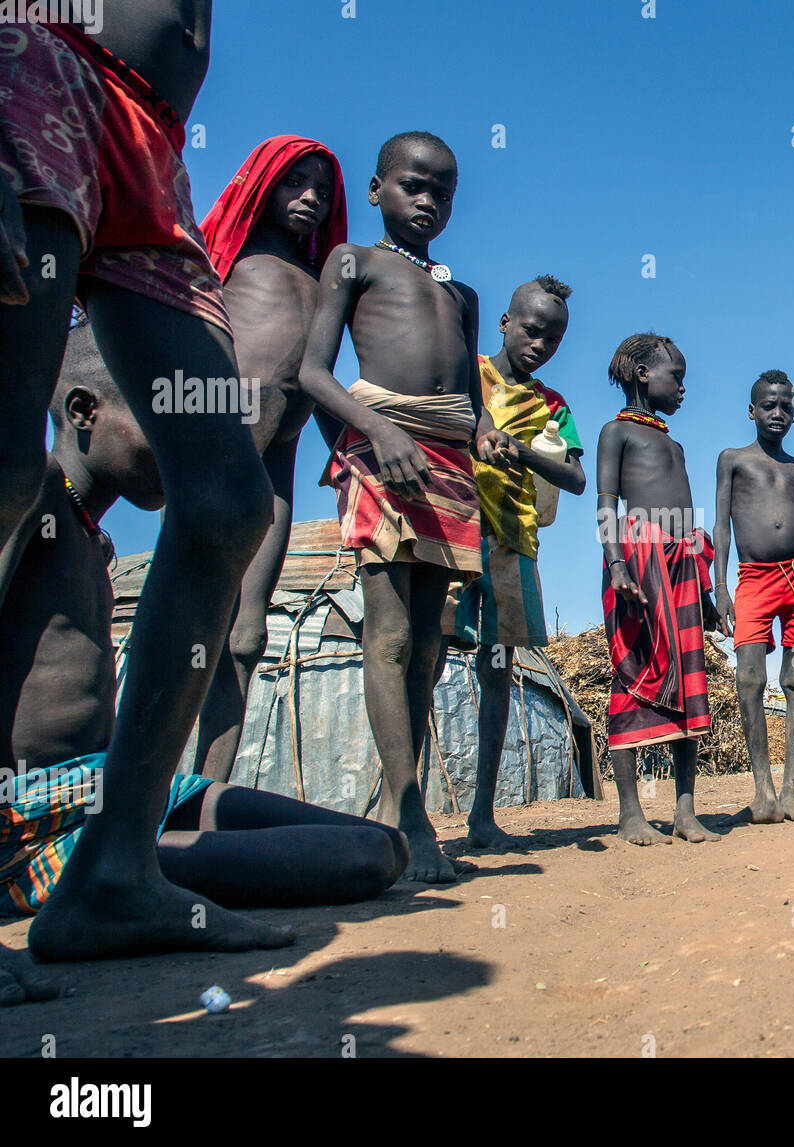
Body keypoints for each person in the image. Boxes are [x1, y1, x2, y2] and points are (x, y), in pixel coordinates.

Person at [1, 8, 295, 961]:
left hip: (148, 139)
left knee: (225, 504)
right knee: (8, 474)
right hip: (41, 62)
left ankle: (115, 873)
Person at [1, 319, 408, 934]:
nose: (181, 446)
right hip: (30, 818)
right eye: (160, 419)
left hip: (117, 792)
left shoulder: (91, 539)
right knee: (356, 860)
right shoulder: (29, 496)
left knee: (383, 846)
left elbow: (269, 404)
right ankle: (103, 888)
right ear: (84, 411)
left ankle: (126, 853)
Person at [299, 131, 501, 882]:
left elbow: (472, 403)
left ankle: (396, 804)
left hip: (447, 461)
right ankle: (414, 816)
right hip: (383, 447)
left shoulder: (462, 295)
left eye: (443, 191)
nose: (428, 200)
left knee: (429, 640)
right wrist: (376, 430)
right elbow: (313, 373)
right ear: (378, 187)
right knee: (386, 634)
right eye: (414, 185)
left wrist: (487, 432)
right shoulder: (352, 261)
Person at [194, 136, 349, 782]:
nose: (310, 197)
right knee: (194, 630)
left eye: (321, 188)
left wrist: (352, 453)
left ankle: (205, 794)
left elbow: (312, 385)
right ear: (261, 188)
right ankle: (139, 806)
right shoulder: (235, 268)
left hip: (271, 485)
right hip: (218, 468)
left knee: (246, 636)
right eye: (294, 183)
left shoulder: (320, 285)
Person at [442, 276, 586, 849]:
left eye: (553, 339)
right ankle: (404, 811)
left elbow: (574, 478)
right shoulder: (465, 371)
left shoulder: (553, 406)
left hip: (513, 546)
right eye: (531, 330)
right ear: (504, 322)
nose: (540, 344)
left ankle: (482, 815)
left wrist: (521, 449)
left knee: (498, 671)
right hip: (449, 532)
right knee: (425, 658)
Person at [596, 333, 722, 846]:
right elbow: (607, 504)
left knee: (690, 679)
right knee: (633, 674)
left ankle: (685, 810)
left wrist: (708, 594)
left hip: (685, 562)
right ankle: (629, 812)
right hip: (639, 558)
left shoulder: (674, 443)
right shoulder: (616, 433)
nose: (685, 388)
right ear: (644, 374)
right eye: (678, 375)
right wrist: (617, 564)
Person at [714, 370, 794, 824]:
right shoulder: (733, 459)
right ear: (752, 410)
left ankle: (790, 791)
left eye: (786, 406)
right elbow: (721, 525)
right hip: (754, 581)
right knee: (749, 677)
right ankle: (761, 790)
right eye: (769, 405)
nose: (778, 413)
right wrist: (720, 587)